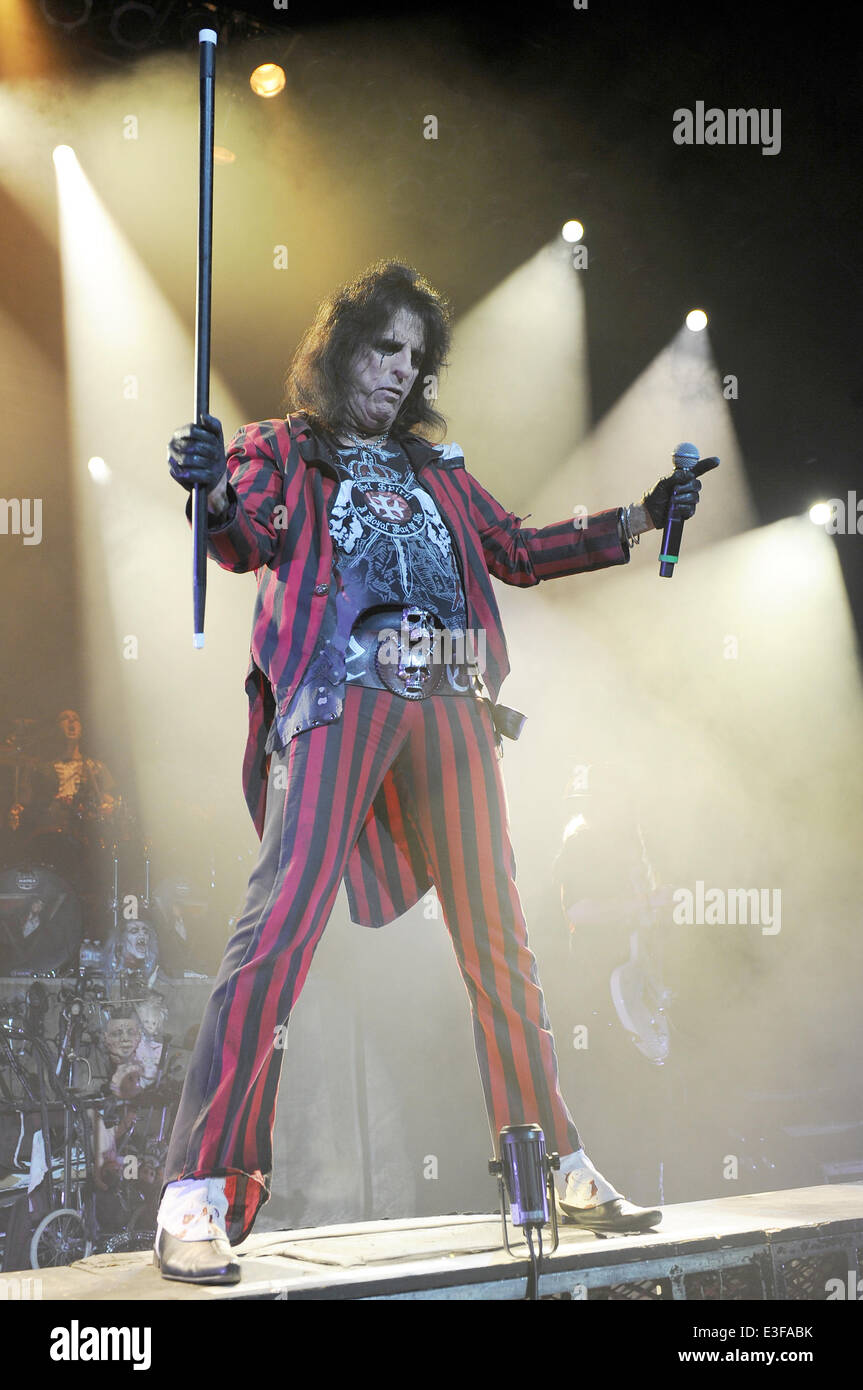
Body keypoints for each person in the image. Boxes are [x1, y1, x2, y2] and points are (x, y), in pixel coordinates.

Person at [156, 259, 703, 1284]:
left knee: (501, 942)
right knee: (273, 932)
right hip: (339, 690)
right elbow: (246, 538)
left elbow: (517, 548)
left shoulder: (437, 468)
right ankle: (196, 1192)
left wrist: (635, 516)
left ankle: (556, 1168)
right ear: (340, 350)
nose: (397, 371)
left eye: (414, 356)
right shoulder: (283, 449)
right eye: (381, 348)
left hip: (451, 702)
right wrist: (212, 486)